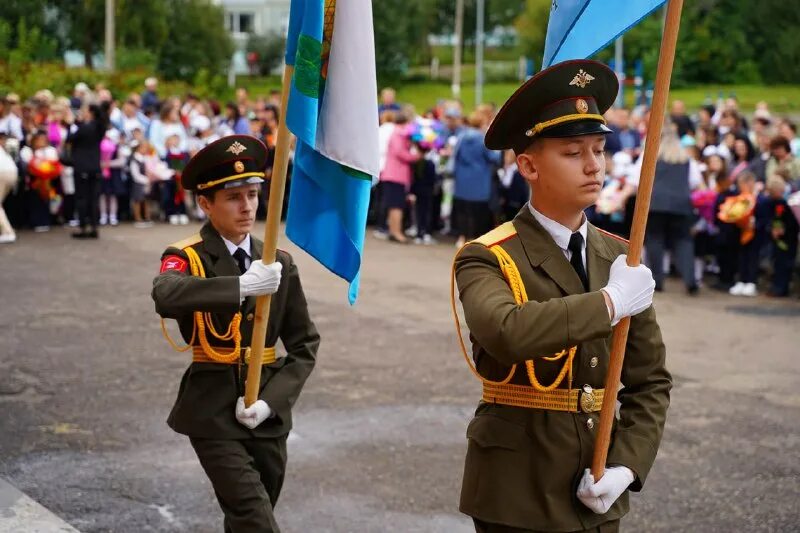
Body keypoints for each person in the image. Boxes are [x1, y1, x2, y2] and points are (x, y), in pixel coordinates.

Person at [452, 59, 670, 532]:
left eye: (598, 149)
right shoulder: (487, 256)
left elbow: (649, 381)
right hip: (517, 492)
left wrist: (627, 466)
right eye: (573, 152)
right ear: (528, 165)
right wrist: (610, 302)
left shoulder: (620, 257)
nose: (594, 165)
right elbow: (507, 332)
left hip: (596, 489)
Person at [152, 135, 319, 532]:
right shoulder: (187, 255)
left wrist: (271, 402)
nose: (247, 207)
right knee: (255, 517)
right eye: (233, 198)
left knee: (249, 517)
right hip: (211, 410)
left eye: (252, 194)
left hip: (265, 412)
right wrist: (241, 286)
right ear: (205, 204)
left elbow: (304, 343)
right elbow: (166, 294)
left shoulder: (277, 261)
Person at [642, 127, 702, 294]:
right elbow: (695, 182)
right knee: (684, 241)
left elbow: (638, 179)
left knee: (655, 240)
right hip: (681, 205)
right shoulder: (687, 160)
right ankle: (690, 280)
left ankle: (657, 281)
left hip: (657, 204)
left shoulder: (652, 157)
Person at [67, 103, 108, 239]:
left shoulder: (84, 127)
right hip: (95, 166)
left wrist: (74, 123)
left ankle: (83, 227)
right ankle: (94, 226)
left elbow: (70, 139)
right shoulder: (99, 127)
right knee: (93, 198)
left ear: (90, 113)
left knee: (82, 197)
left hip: (82, 166)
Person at [764, 175, 798, 297]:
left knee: (785, 263)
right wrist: (772, 229)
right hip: (777, 238)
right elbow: (770, 218)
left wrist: (784, 229)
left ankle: (782, 288)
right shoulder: (772, 202)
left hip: (789, 239)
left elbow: (794, 222)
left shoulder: (790, 202)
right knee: (778, 262)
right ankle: (777, 286)